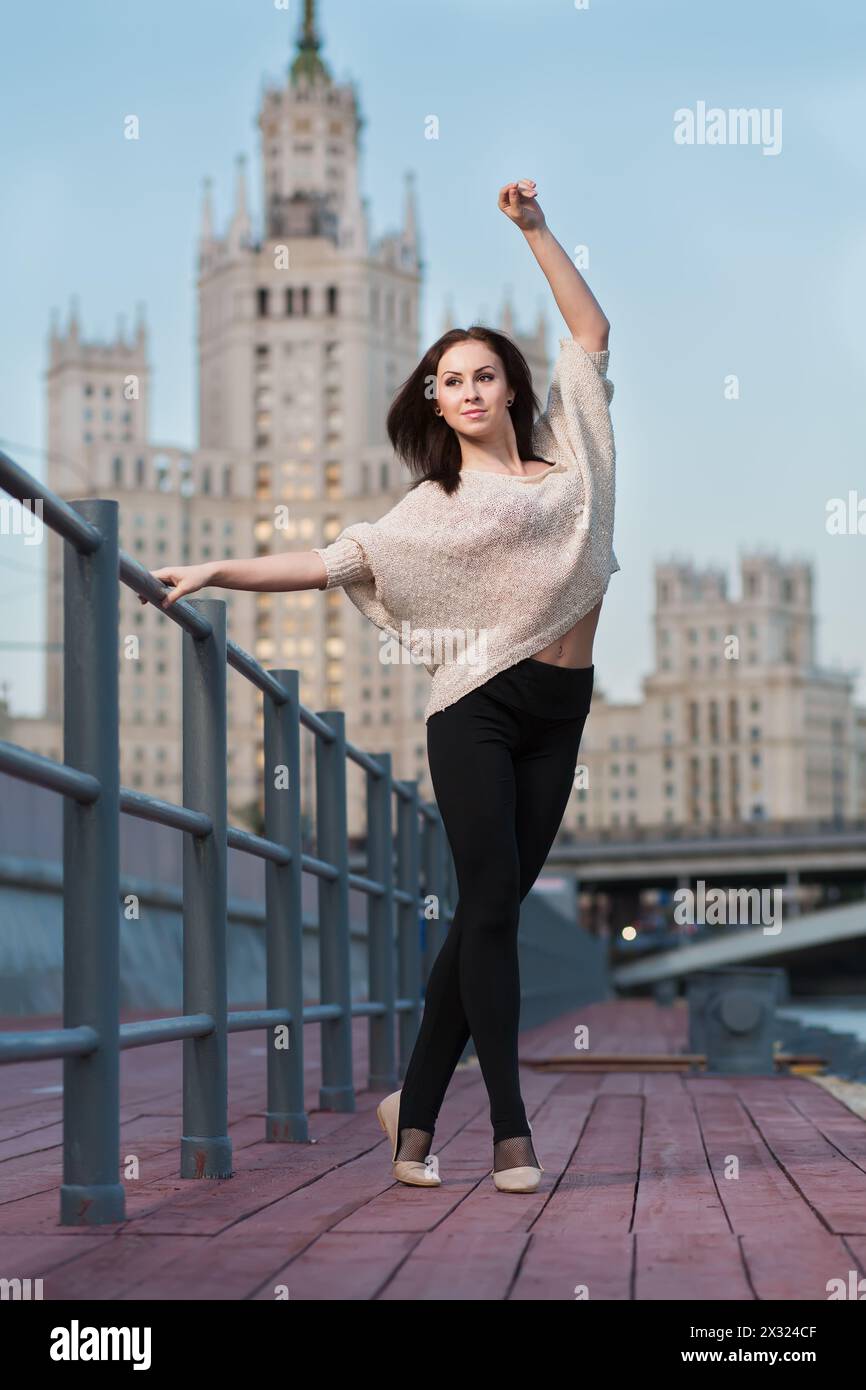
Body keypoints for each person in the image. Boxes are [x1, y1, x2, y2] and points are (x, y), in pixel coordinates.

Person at [143, 178, 620, 1195]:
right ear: (433, 401)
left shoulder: (571, 454)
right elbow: (329, 562)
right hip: (475, 710)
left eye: (486, 372)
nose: (472, 388)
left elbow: (589, 325)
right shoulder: (427, 508)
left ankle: (409, 1104)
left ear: (508, 386)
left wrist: (534, 230)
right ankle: (506, 1132)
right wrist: (217, 570)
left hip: (559, 711)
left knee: (487, 910)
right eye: (452, 379)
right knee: (490, 904)